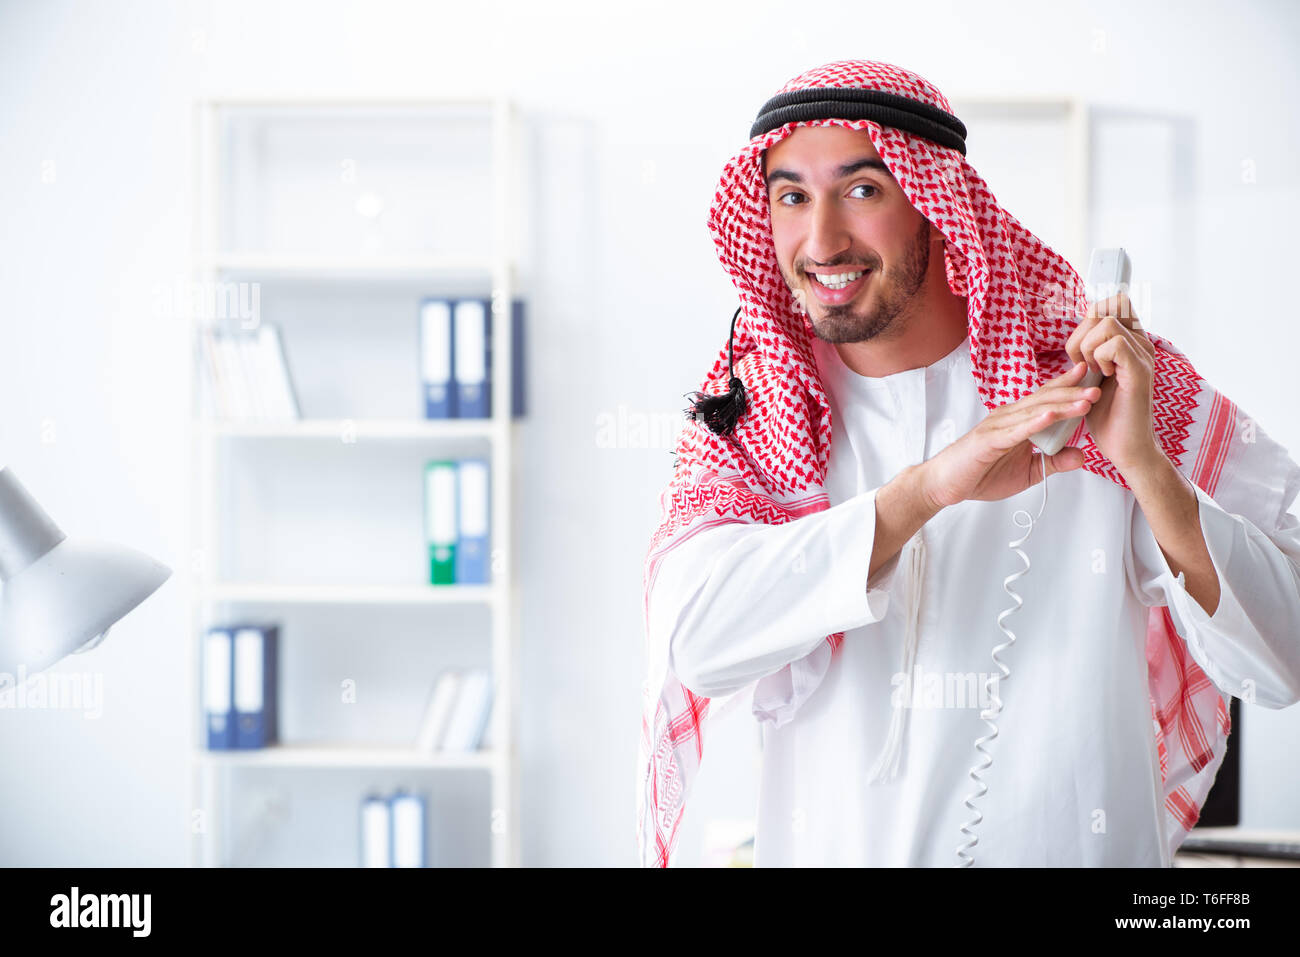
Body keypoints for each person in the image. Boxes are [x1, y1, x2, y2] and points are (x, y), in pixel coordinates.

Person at [637, 59, 1300, 868]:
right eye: (792, 196)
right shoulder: (752, 411)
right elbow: (697, 647)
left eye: (862, 190)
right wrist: (925, 491)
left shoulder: (1105, 391)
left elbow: (1285, 656)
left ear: (935, 202)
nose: (822, 241)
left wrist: (1147, 470)